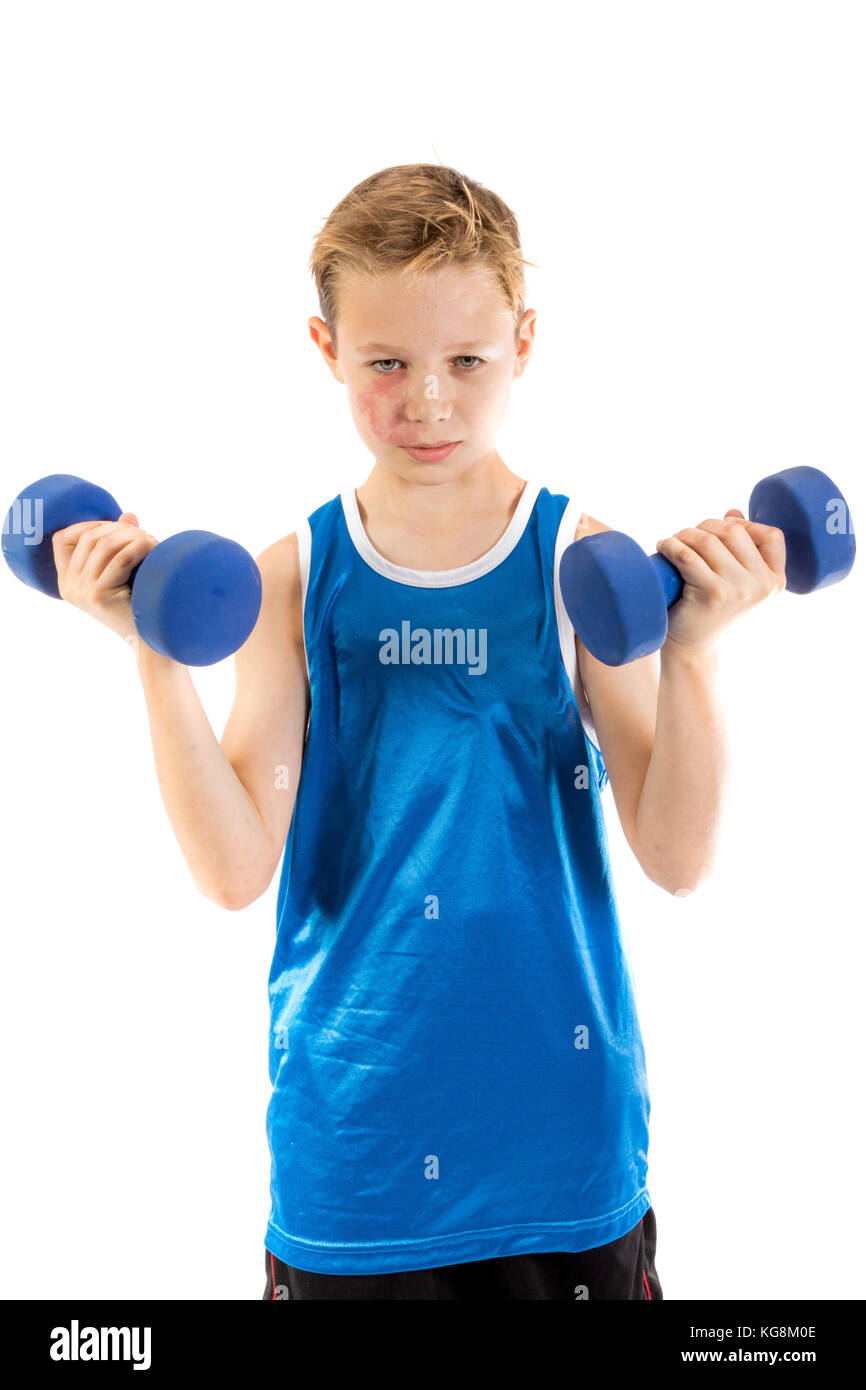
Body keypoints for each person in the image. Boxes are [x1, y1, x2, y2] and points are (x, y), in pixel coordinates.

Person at [52, 163, 787, 1300]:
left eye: (466, 361)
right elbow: (235, 868)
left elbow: (677, 858)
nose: (427, 400)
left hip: (560, 1146)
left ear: (525, 342)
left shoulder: (575, 567)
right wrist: (156, 657)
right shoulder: (289, 581)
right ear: (325, 347)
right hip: (356, 1155)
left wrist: (689, 654)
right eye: (385, 362)